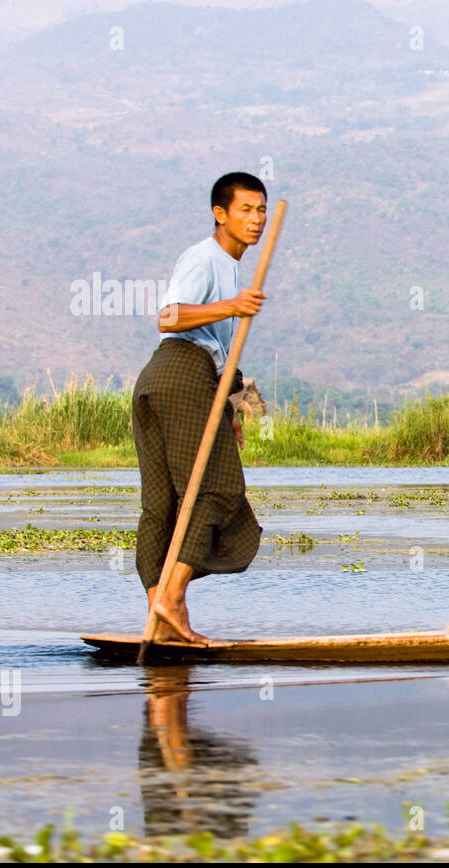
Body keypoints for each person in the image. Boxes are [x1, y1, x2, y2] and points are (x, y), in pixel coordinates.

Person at [132, 171, 268, 646]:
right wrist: (232, 305)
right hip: (181, 373)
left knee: (163, 506)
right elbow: (169, 317)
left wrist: (235, 408)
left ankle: (162, 618)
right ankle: (170, 598)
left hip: (163, 380)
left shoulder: (231, 269)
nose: (256, 220)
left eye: (262, 210)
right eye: (246, 210)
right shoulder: (204, 257)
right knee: (220, 488)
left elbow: (223, 355)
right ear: (220, 214)